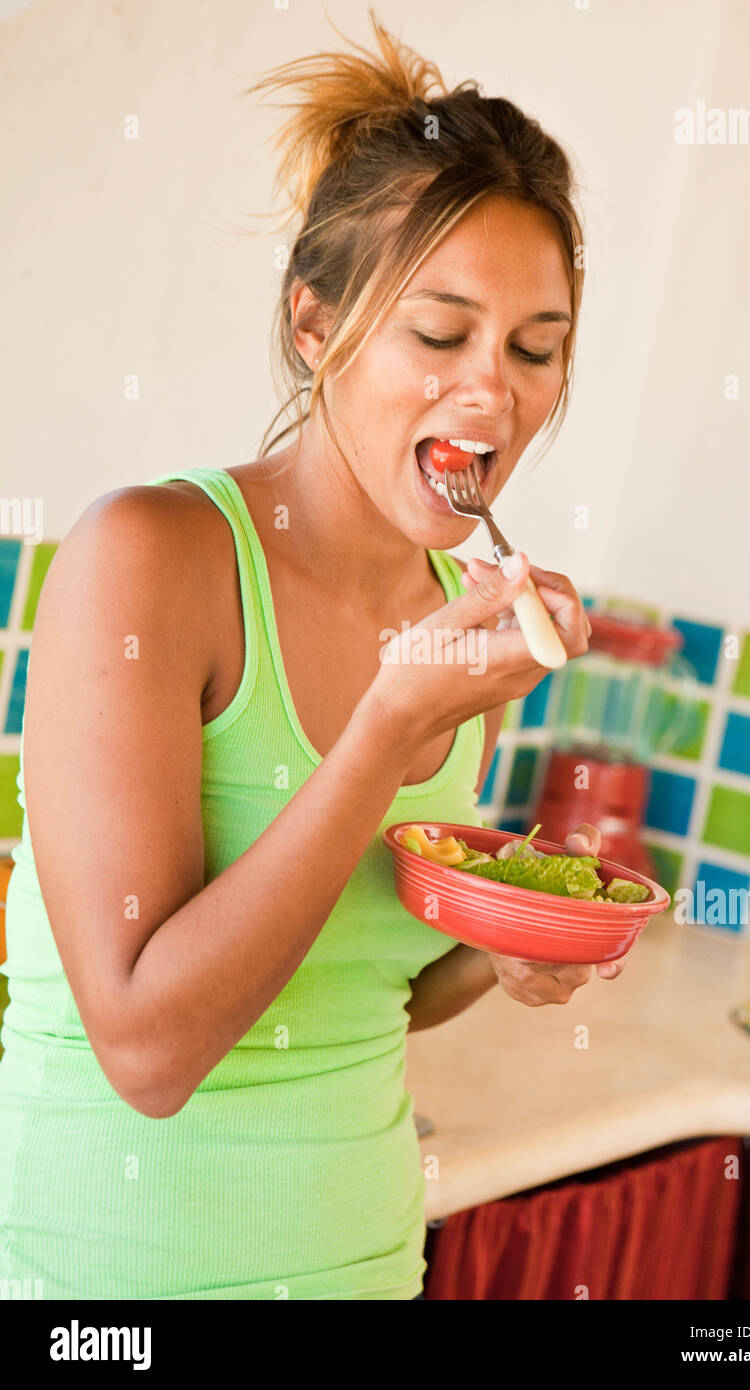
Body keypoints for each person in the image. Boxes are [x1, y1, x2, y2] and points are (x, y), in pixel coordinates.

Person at [0, 13, 622, 1300]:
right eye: (438, 335)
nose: (490, 395)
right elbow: (149, 1049)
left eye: (533, 348)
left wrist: (500, 950)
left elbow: (359, 992)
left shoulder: (465, 621)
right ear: (314, 326)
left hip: (360, 1263)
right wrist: (383, 734)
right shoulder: (152, 558)